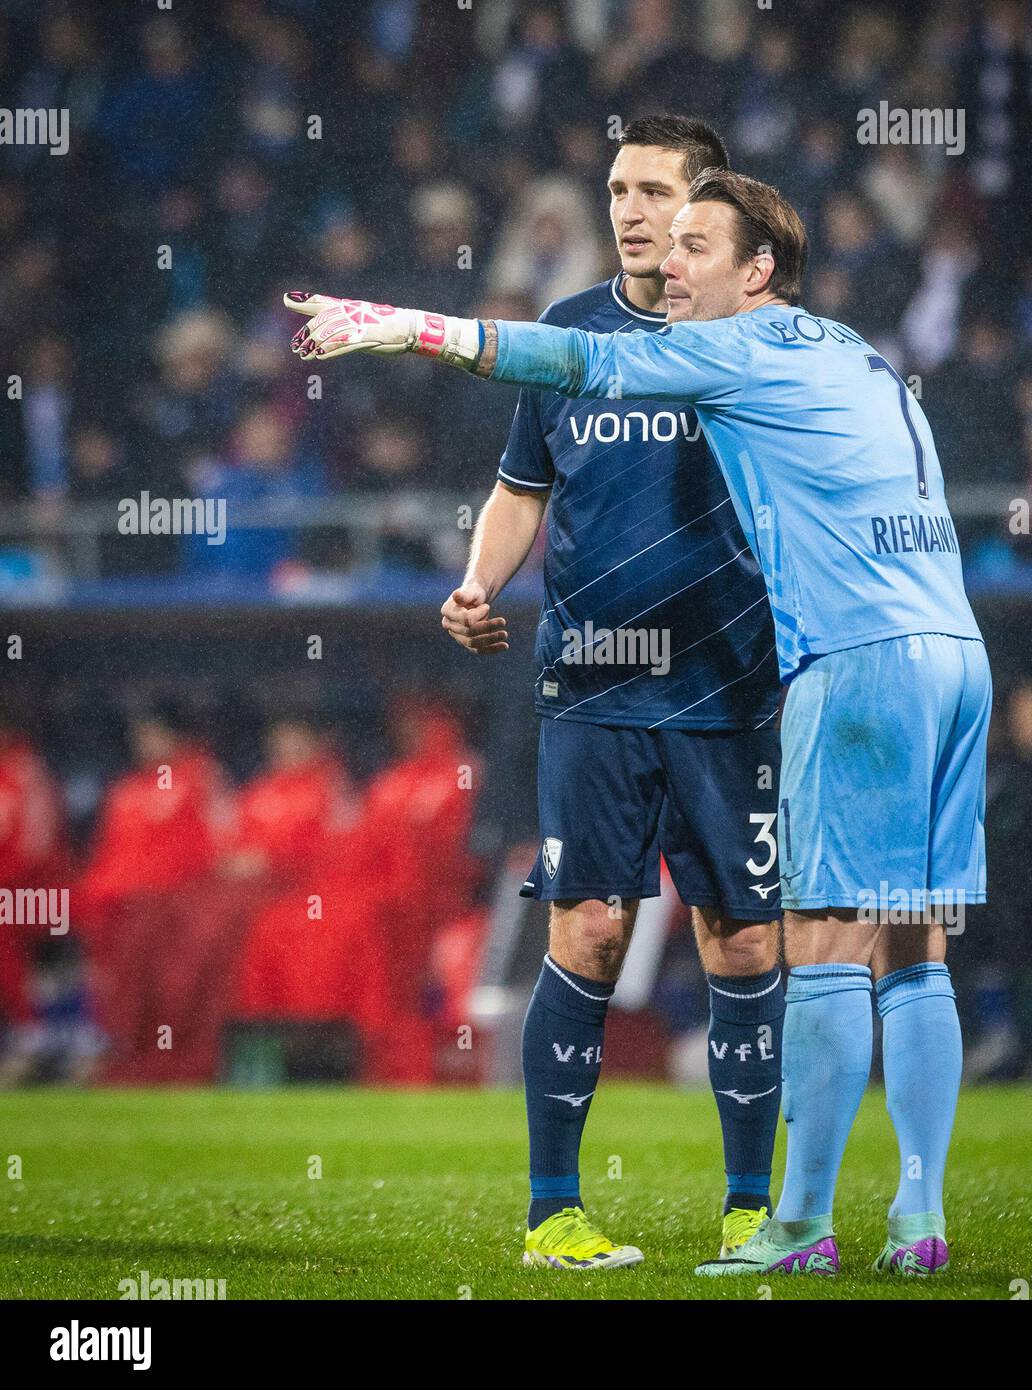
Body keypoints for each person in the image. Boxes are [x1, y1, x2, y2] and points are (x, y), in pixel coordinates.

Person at [283, 165, 991, 1279]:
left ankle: (795, 1227)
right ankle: (920, 1217)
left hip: (858, 665)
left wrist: (405, 327)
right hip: (956, 655)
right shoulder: (858, 352)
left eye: (696, 244)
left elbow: (573, 359)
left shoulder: (737, 345)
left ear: (758, 271)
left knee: (819, 951)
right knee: (915, 951)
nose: (668, 262)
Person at [442, 117, 785, 1272]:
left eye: (654, 191)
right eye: (617, 189)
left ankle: (752, 1208)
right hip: (592, 679)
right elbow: (518, 487)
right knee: (587, 928)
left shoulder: (754, 337)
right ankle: (553, 1214)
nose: (630, 211)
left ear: (708, 207)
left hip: (731, 684)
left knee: (739, 939)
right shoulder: (568, 331)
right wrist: (480, 578)